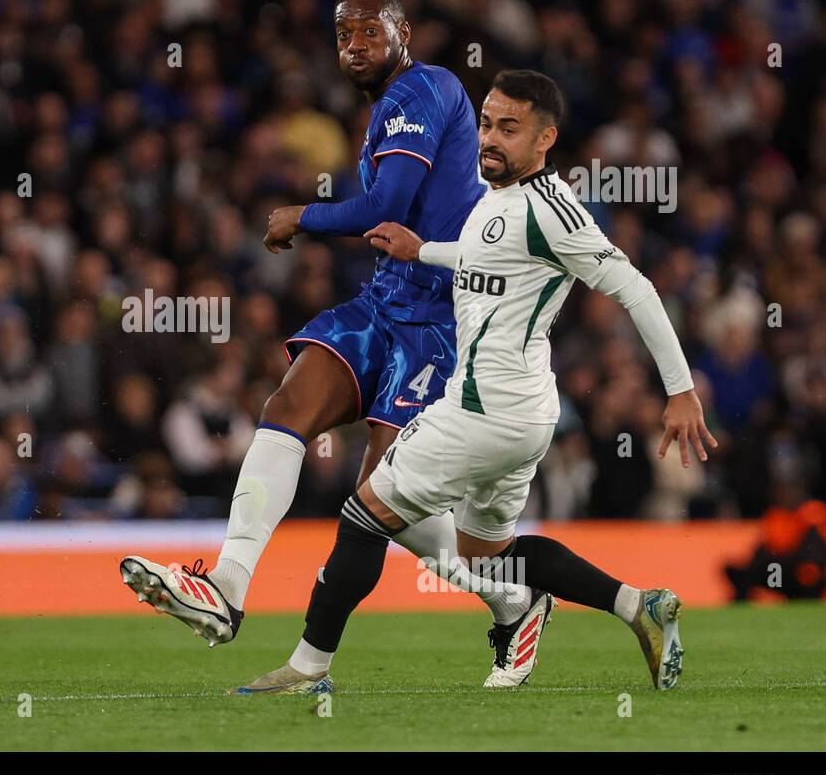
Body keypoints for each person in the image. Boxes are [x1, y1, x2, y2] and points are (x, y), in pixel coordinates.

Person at [236, 70, 715, 694]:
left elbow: (638, 290)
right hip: (526, 414)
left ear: (546, 140)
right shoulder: (499, 200)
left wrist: (680, 391)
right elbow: (485, 257)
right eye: (486, 123)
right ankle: (637, 605)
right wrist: (422, 251)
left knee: (365, 514)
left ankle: (307, 669)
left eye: (508, 129)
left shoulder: (555, 213)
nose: (489, 139)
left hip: (481, 411)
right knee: (485, 556)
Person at [122, 0, 514, 645]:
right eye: (343, 36)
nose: (355, 45)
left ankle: (514, 599)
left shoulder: (425, 89)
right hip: (387, 300)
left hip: (440, 318)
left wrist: (300, 215)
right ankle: (227, 588)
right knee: (289, 406)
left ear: (403, 34)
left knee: (387, 498)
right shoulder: (393, 104)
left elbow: (385, 202)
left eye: (369, 31)